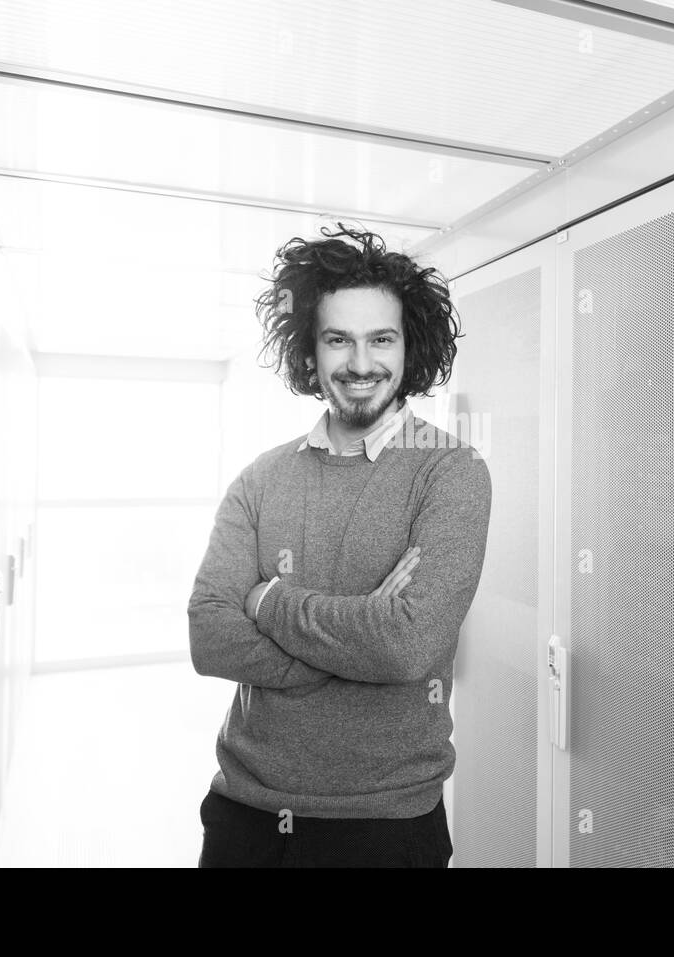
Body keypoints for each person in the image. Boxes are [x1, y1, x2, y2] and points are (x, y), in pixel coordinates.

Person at [188, 224, 492, 867]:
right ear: (310, 350)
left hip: (386, 828)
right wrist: (361, 635)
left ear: (411, 346)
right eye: (338, 340)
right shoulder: (261, 478)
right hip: (245, 815)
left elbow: (407, 646)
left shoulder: (451, 472)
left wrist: (268, 602)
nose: (360, 363)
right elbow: (209, 637)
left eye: (381, 338)